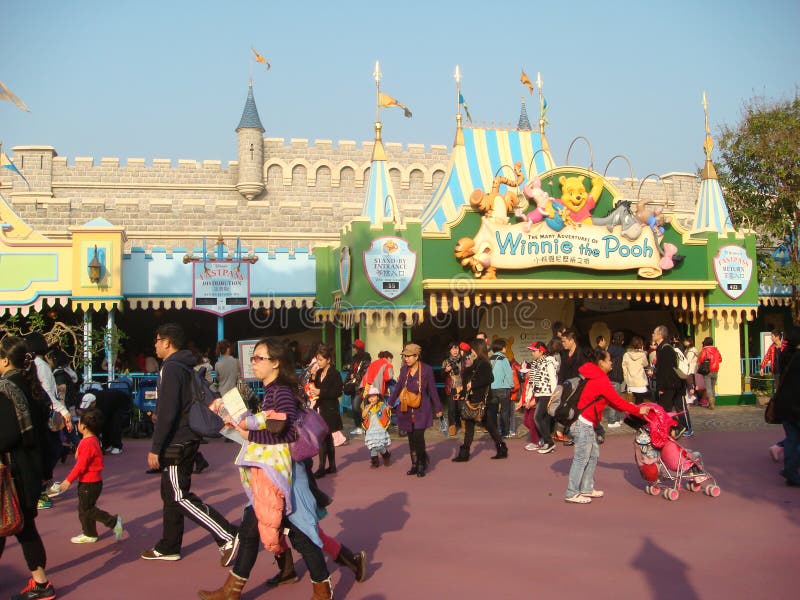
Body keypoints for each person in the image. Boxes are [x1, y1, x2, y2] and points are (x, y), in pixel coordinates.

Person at [199, 337, 333, 599]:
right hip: (274, 474)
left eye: (259, 358)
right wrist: (244, 426)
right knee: (256, 530)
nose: (254, 363)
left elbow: (286, 434)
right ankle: (234, 589)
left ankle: (323, 588)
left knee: (300, 534)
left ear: (276, 363)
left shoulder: (279, 392)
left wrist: (248, 434)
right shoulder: (274, 390)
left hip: (279, 476)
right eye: (253, 358)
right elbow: (272, 425)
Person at [140, 323, 237, 563]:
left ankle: (227, 535)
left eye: (157, 340)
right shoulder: (184, 365)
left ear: (167, 342)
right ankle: (169, 545)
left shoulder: (171, 368)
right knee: (170, 493)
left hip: (177, 440)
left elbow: (168, 411)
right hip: (187, 436)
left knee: (178, 496)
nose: (155, 345)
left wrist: (155, 447)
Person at [0, 336, 58, 600]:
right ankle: (41, 583)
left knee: (21, 525)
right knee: (19, 524)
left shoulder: (6, 389)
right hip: (31, 468)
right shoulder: (32, 387)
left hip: (14, 470)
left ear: (5, 360)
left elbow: (7, 435)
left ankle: (42, 584)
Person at [564, 348, 651, 504]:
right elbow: (616, 400)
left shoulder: (593, 375)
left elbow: (611, 401)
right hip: (584, 423)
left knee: (592, 456)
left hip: (587, 423)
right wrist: (637, 410)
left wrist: (630, 408)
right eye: (609, 360)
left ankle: (586, 488)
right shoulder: (600, 379)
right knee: (581, 459)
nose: (611, 363)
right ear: (601, 363)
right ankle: (571, 492)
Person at [49, 409, 124, 544]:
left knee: (87, 509)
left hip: (89, 483)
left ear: (83, 426)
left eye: (78, 423)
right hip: (92, 482)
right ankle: (90, 533)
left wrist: (68, 481)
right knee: (84, 508)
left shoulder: (87, 443)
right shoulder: (92, 439)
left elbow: (80, 466)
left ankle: (113, 521)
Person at [24, 332, 72, 511]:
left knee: (49, 449)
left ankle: (42, 486)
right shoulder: (40, 365)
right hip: (46, 413)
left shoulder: (32, 365)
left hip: (41, 413)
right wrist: (64, 411)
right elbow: (47, 394)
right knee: (51, 449)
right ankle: (41, 488)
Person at [388, 342, 442, 477]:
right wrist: (390, 403)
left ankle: (421, 464)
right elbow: (398, 387)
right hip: (406, 408)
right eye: (404, 356)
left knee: (418, 436)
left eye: (408, 356)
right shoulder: (404, 370)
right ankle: (414, 464)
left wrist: (438, 407)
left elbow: (433, 390)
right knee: (411, 437)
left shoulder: (426, 370)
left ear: (416, 356)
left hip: (422, 408)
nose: (405, 358)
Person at [452, 339, 506, 462]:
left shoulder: (484, 364)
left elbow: (489, 378)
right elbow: (469, 381)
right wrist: (461, 394)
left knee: (488, 426)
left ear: (478, 349)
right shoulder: (476, 362)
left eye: (472, 349)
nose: (471, 351)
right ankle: (500, 449)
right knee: (473, 427)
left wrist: (473, 384)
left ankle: (500, 449)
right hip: (474, 400)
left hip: (482, 401)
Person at [308, 343, 343, 478]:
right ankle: (332, 466)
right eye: (318, 359)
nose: (319, 362)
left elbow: (337, 392)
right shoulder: (318, 372)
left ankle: (322, 467)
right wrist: (312, 379)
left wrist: (320, 391)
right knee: (327, 438)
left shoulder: (335, 374)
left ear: (328, 360)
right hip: (320, 408)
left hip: (330, 409)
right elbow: (315, 388)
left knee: (323, 438)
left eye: (321, 359)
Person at [772, 327, 800, 487]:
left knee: (791, 439)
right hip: (796, 403)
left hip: (784, 402)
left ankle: (791, 473)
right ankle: (790, 470)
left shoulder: (784, 355)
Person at [526, 340, 559, 454]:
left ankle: (549, 442)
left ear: (541, 351)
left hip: (547, 394)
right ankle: (546, 442)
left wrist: (553, 396)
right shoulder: (535, 363)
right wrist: (529, 396)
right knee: (543, 419)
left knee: (537, 417)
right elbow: (532, 381)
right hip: (538, 394)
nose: (532, 353)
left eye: (534, 351)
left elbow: (553, 379)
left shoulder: (548, 361)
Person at [78, 389, 128, 454]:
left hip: (119, 403)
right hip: (109, 403)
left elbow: (100, 423)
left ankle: (117, 446)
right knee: (105, 423)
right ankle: (107, 445)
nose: (88, 408)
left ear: (93, 403)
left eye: (89, 406)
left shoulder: (103, 405)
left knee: (114, 423)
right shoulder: (86, 397)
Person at [489, 338, 515, 438]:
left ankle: (494, 431)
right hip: (503, 388)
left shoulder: (490, 359)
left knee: (493, 411)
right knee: (504, 411)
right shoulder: (504, 359)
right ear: (502, 348)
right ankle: (505, 432)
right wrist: (511, 385)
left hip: (492, 388)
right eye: (505, 347)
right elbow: (508, 374)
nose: (506, 348)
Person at [345, 339, 371, 435]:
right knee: (354, 407)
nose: (353, 349)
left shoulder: (366, 358)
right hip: (353, 386)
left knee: (356, 406)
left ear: (358, 348)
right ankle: (358, 426)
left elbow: (365, 373)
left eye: (354, 348)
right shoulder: (354, 358)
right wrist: (346, 380)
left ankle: (363, 425)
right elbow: (351, 371)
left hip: (361, 387)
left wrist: (355, 375)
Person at [362, 385, 392, 468]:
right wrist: (369, 407)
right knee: (373, 447)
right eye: (370, 397)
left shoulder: (382, 405)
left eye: (374, 396)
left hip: (380, 429)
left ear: (378, 397)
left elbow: (387, 411)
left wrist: (388, 408)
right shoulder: (367, 407)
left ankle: (386, 455)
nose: (371, 399)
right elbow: (363, 415)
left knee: (380, 446)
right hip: (370, 429)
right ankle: (375, 462)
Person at [442, 342, 467, 437]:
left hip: (461, 387)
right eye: (453, 349)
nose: (455, 351)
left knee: (462, 407)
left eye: (456, 348)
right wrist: (446, 370)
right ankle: (452, 426)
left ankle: (464, 424)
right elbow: (441, 376)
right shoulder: (446, 361)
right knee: (451, 408)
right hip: (451, 387)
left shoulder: (464, 360)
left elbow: (469, 373)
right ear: (449, 350)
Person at [606, 332, 626, 428]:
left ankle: (616, 418)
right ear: (622, 341)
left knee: (612, 398)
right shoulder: (623, 351)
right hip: (617, 377)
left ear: (613, 340)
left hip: (608, 376)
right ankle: (612, 420)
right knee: (615, 400)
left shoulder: (608, 350)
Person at [622, 336, 650, 404]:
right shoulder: (642, 355)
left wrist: (626, 379)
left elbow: (624, 368)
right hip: (640, 382)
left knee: (630, 404)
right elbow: (645, 364)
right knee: (640, 404)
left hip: (630, 382)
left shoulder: (626, 355)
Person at [698, 336, 723, 410]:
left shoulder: (704, 350)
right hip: (715, 370)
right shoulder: (716, 350)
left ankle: (711, 404)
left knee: (708, 388)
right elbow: (720, 359)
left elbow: (701, 359)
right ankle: (712, 403)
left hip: (707, 370)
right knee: (712, 387)